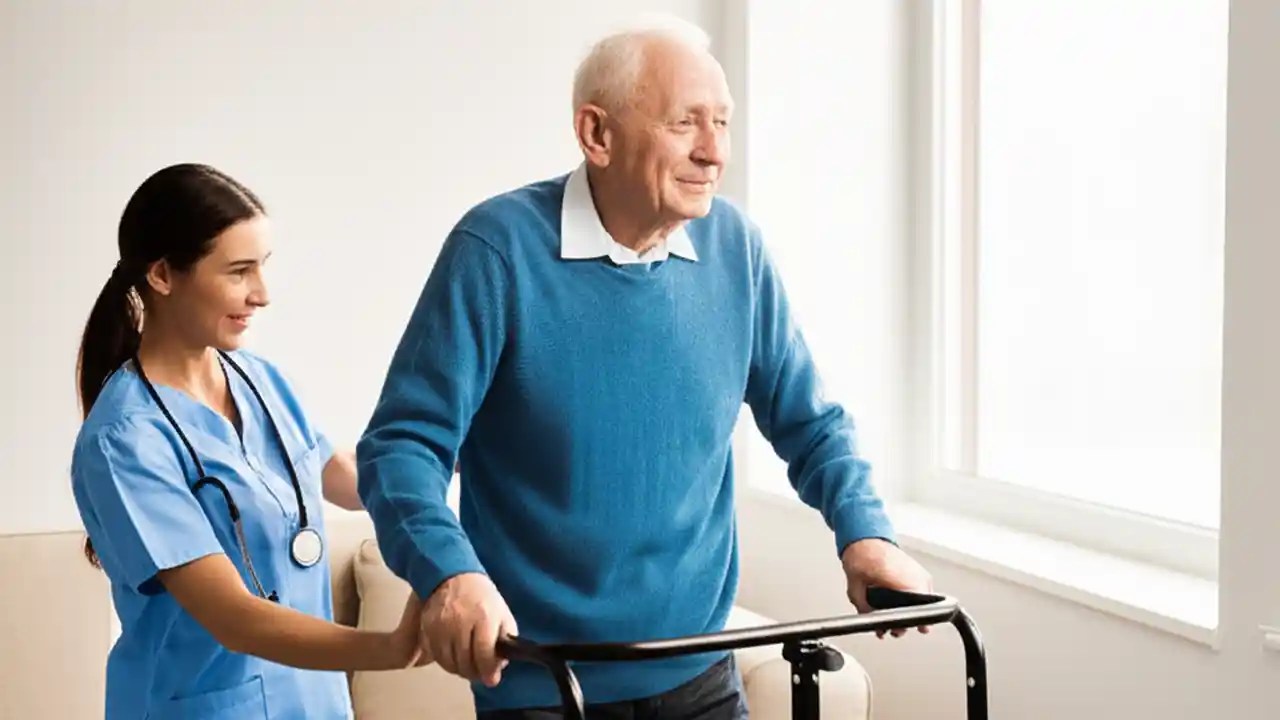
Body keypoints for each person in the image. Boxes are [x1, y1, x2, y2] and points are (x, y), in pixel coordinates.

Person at [356, 18, 933, 719]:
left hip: (697, 670)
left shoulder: (736, 250)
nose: (715, 151)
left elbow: (811, 423)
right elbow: (402, 447)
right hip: (543, 682)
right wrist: (449, 572)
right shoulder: (496, 249)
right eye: (686, 122)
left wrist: (866, 536)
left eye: (721, 122)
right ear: (596, 135)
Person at [70, 163, 429, 720]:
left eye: (262, 267)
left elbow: (346, 479)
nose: (262, 294)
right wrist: (392, 648)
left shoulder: (261, 379)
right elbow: (233, 618)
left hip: (313, 704)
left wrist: (453, 450)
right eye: (238, 272)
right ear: (162, 275)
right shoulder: (124, 440)